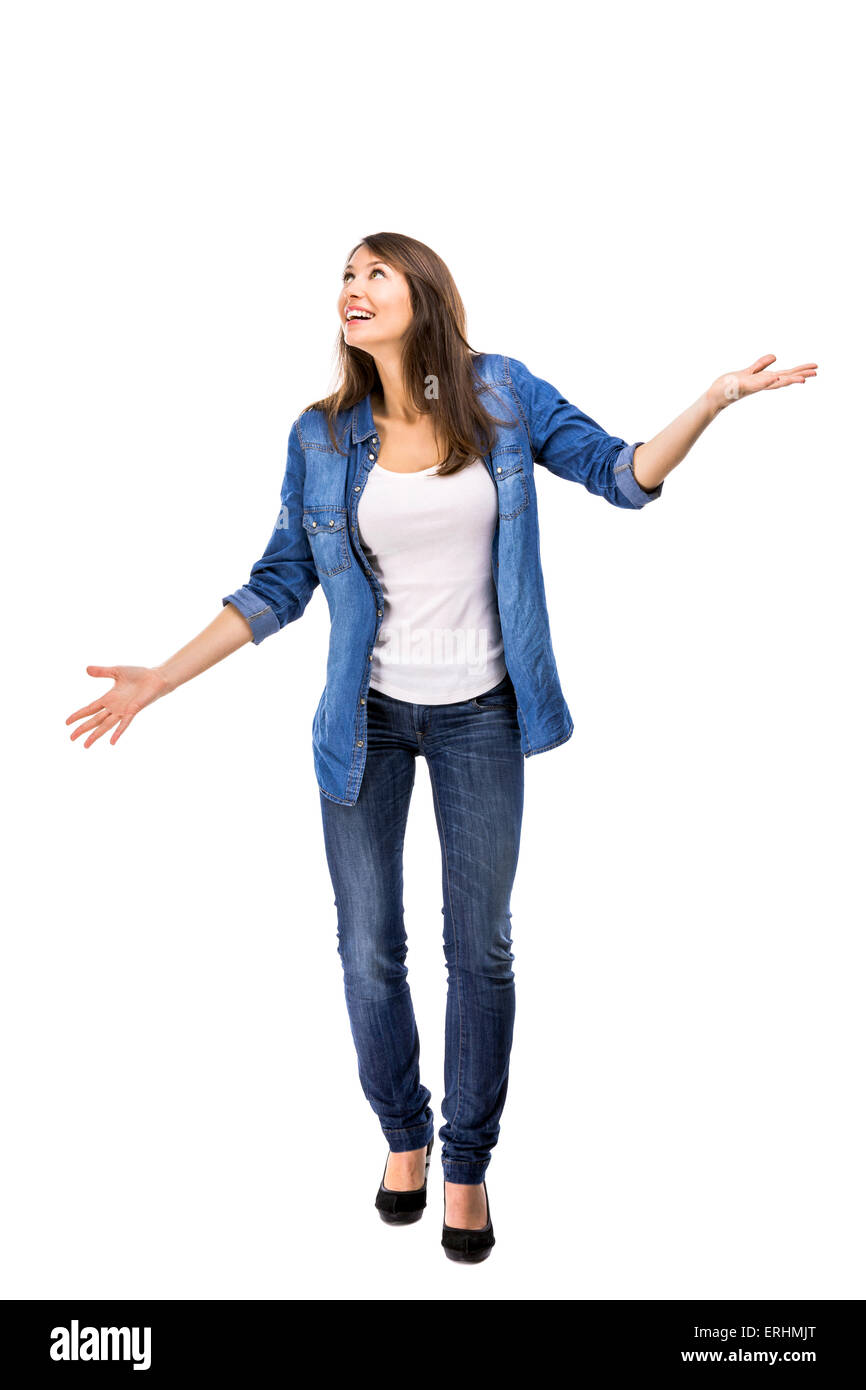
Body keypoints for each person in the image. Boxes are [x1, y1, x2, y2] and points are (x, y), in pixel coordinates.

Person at [66, 231, 817, 1264]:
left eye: (374, 272)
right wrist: (159, 676)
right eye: (343, 274)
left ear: (421, 291)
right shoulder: (322, 434)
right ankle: (402, 1137)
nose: (351, 288)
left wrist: (710, 402)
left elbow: (618, 473)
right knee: (369, 946)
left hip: (481, 715)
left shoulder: (499, 394)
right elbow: (283, 579)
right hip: (363, 718)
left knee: (482, 946)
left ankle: (466, 1161)